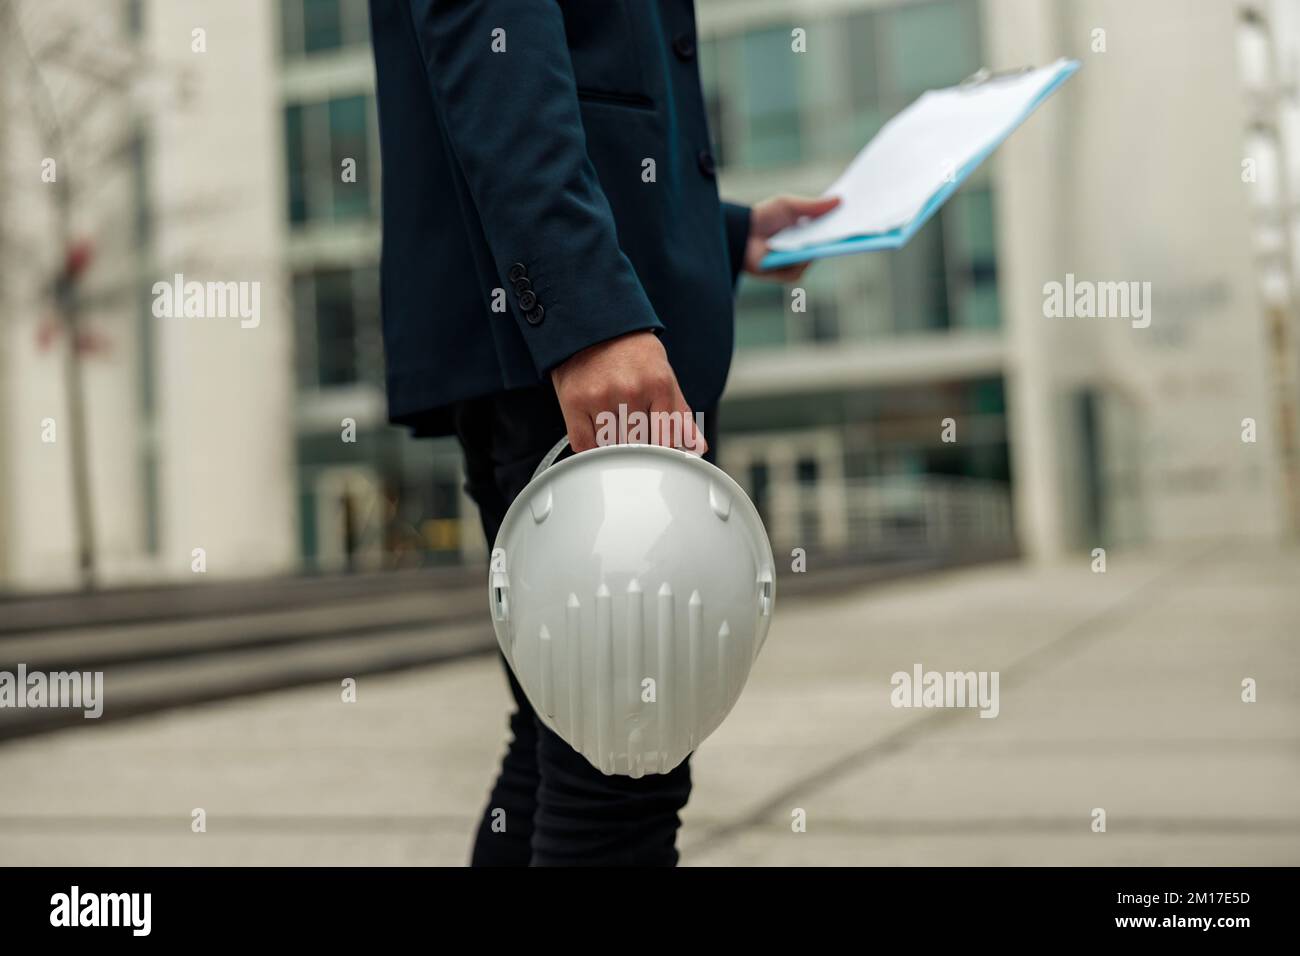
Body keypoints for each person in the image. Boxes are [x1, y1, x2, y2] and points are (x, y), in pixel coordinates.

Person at [368, 0, 836, 866]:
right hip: (573, 336)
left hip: (565, 313)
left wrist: (727, 233)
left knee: (567, 749)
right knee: (623, 762)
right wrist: (586, 315)